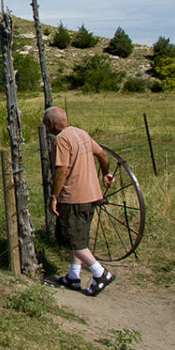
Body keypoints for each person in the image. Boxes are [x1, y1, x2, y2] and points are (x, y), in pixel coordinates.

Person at [43, 106, 115, 296]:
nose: (46, 128)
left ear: (50, 123)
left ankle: (100, 273)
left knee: (71, 239)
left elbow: (62, 170)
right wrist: (106, 173)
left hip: (73, 197)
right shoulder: (81, 134)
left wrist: (54, 196)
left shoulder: (61, 140)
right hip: (92, 195)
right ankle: (74, 275)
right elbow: (103, 154)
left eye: (45, 124)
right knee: (78, 236)